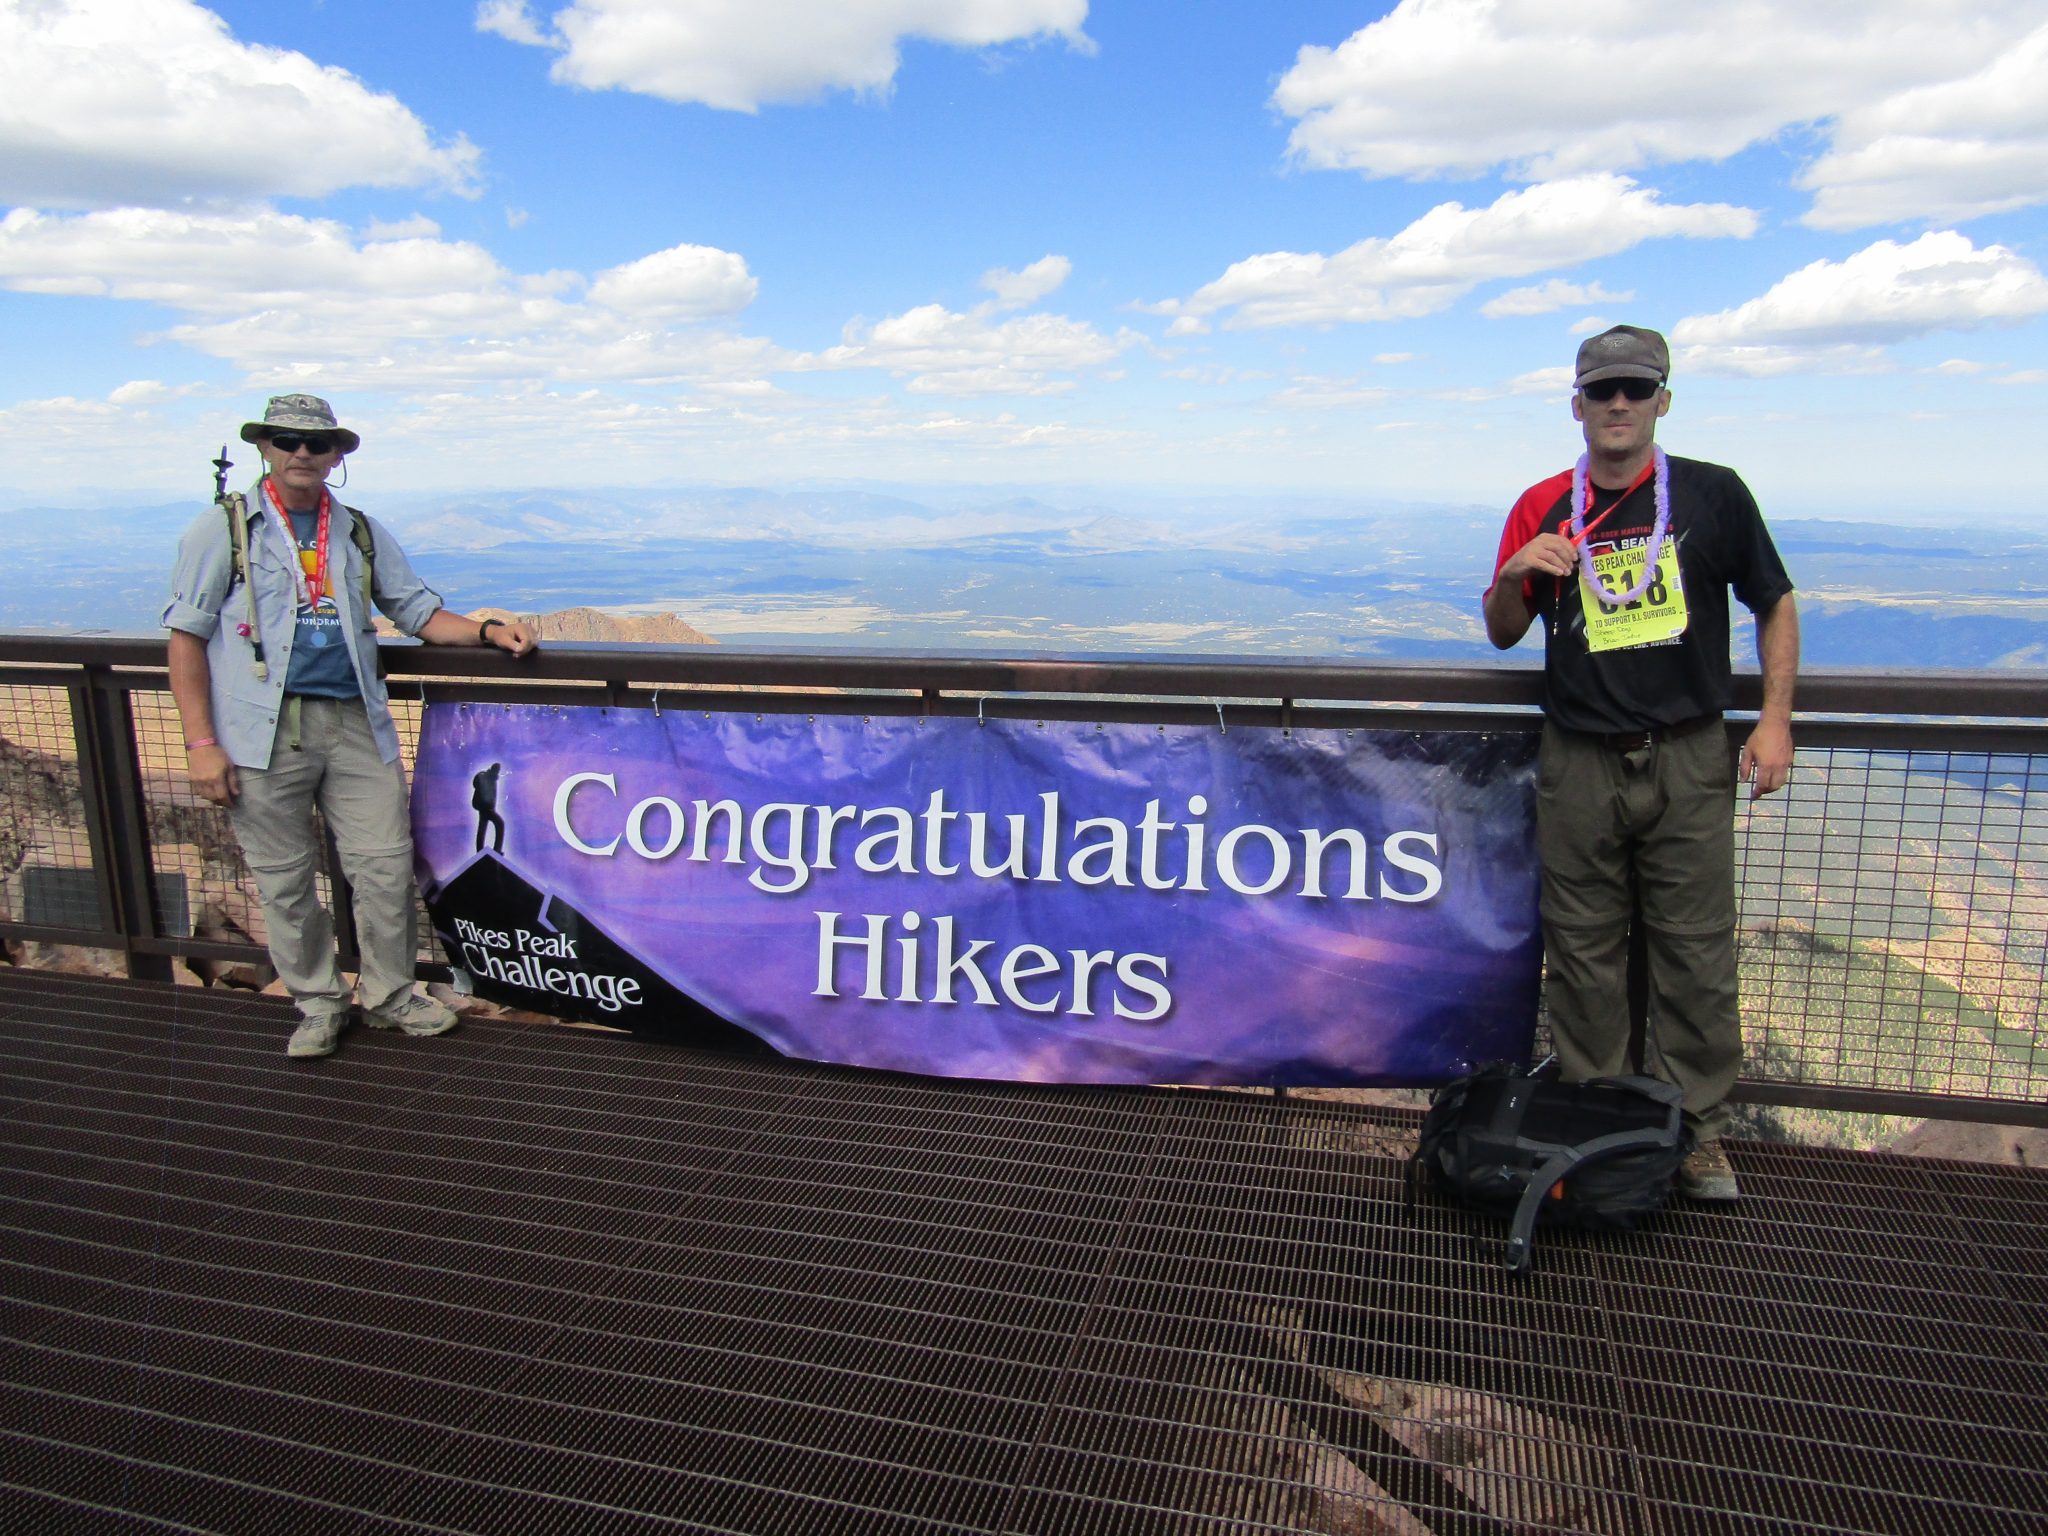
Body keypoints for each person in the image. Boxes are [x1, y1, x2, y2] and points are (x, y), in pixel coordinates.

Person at [1482, 326, 1798, 1201]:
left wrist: (1774, 720)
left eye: (1635, 388)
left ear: (1664, 399)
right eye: (1602, 390)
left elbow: (1773, 600)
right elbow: (1504, 627)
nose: (1618, 404)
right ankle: (1595, 1123)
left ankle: (1695, 1132)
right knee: (1583, 953)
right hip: (1578, 757)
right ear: (1576, 403)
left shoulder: (1713, 494)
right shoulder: (1543, 502)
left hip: (1690, 753)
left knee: (1696, 953)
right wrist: (1516, 572)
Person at [164, 394, 538, 1058]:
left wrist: (484, 630)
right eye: (286, 440)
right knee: (283, 878)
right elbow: (186, 638)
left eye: (317, 442)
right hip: (260, 732)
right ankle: (317, 1002)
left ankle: (391, 996)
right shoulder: (221, 530)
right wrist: (200, 744)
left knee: (385, 865)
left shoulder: (359, 531)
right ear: (263, 448)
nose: (302, 452)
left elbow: (418, 612)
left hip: (354, 723)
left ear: (338, 454)